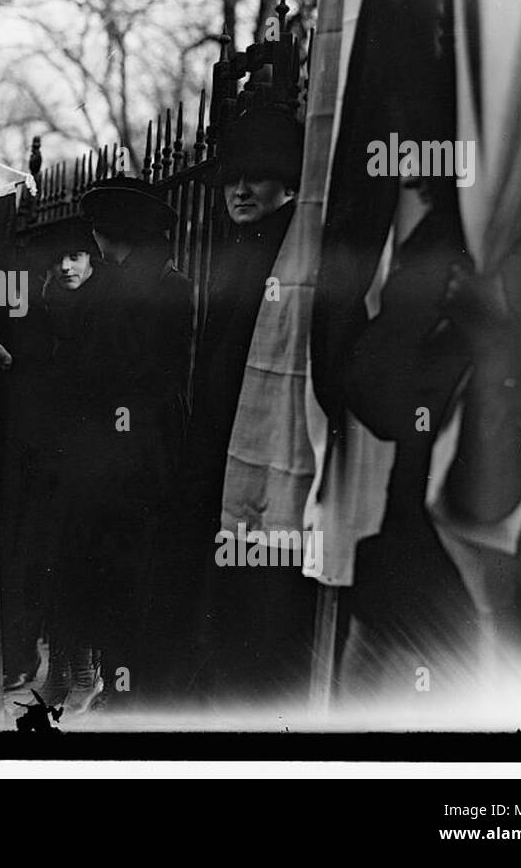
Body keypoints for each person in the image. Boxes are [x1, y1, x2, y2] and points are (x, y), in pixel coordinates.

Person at [184, 101, 315, 707]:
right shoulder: (236, 244)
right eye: (232, 177)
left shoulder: (290, 247)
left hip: (265, 431)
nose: (239, 189)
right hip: (220, 430)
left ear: (286, 181)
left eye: (255, 176)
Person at [54, 175, 194, 713]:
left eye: (97, 229)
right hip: (141, 449)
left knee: (115, 574)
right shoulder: (165, 283)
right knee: (119, 571)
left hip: (122, 453)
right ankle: (114, 682)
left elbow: (109, 372)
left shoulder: (130, 289)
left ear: (113, 233)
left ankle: (119, 685)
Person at [0, 215, 101, 704]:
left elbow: (82, 382)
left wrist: (17, 366)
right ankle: (36, 662)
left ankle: (81, 673)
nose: (66, 266)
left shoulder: (96, 310)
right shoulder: (46, 305)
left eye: (76, 257)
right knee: (33, 561)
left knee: (70, 567)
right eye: (60, 259)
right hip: (40, 454)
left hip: (84, 457)